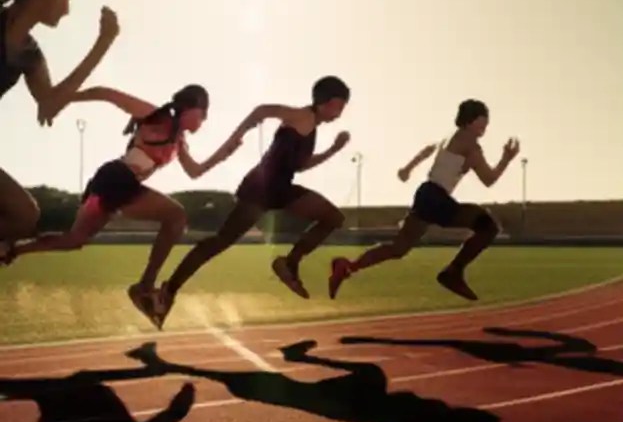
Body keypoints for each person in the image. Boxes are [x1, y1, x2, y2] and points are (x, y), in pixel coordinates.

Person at [4, 85, 241, 313]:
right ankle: (144, 287)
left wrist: (225, 153)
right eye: (204, 114)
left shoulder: (179, 141)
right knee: (176, 217)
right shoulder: (156, 115)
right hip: (118, 179)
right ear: (190, 108)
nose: (205, 120)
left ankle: (13, 250)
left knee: (74, 239)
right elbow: (107, 94)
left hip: (109, 183)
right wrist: (64, 98)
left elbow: (194, 172)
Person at [138, 77, 351, 329]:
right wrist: (238, 135)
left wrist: (333, 150)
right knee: (220, 241)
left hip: (280, 188)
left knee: (333, 218)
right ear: (324, 102)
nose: (340, 112)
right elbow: (262, 110)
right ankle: (168, 291)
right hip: (262, 188)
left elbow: (301, 165)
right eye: (338, 106)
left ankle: (289, 263)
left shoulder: (310, 127)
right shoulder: (301, 116)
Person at [327, 99, 518, 302]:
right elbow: (489, 180)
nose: (484, 129)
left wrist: (408, 168)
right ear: (469, 122)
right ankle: (453, 272)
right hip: (436, 198)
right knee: (488, 226)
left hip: (425, 193)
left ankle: (348, 266)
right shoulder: (471, 144)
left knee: (398, 248)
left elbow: (429, 150)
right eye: (481, 124)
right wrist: (507, 158)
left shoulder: (449, 138)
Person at [0, 0, 119, 260]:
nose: (67, 9)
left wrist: (102, 44)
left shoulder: (30, 53)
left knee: (24, 215)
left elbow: (50, 104)